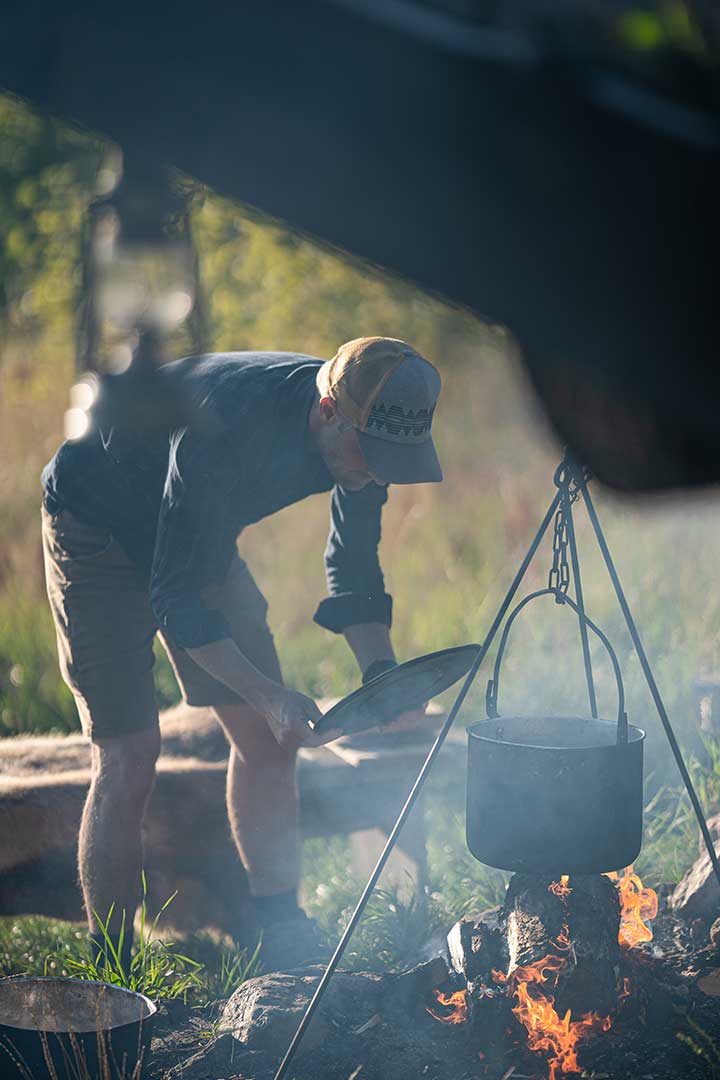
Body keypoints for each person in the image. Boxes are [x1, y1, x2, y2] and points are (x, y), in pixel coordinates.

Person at [40, 335, 443, 969]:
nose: (377, 471)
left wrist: (383, 675)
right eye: (372, 452)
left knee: (267, 738)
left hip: (195, 531)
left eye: (395, 457)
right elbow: (175, 595)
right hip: (96, 522)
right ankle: (113, 964)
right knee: (130, 754)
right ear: (330, 409)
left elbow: (354, 565)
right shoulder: (231, 422)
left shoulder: (371, 439)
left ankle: (278, 927)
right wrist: (268, 693)